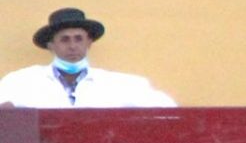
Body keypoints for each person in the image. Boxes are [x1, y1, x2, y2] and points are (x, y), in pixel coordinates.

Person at [0, 9, 175, 108]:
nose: (72, 46)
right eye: (64, 39)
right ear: (51, 45)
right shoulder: (22, 82)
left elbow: (167, 107)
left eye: (78, 38)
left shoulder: (117, 84)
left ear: (89, 42)